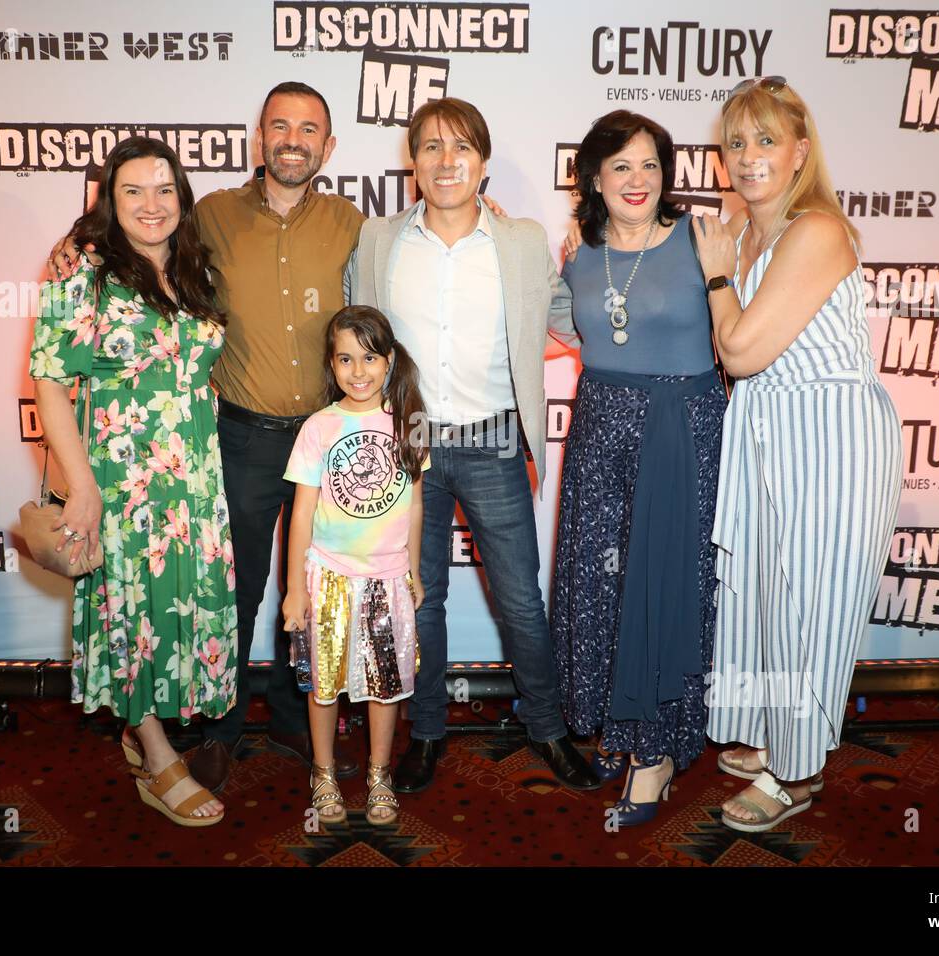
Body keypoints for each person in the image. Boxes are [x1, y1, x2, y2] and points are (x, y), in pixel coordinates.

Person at [51, 83, 365, 791]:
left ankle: (295, 709)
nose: (293, 139)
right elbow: (131, 241)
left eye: (308, 129)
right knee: (235, 589)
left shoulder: (352, 221)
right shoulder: (211, 215)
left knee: (318, 586)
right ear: (259, 139)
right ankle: (218, 726)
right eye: (279, 126)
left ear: (329, 145)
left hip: (323, 438)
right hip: (240, 437)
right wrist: (79, 239)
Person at [346, 97, 600, 793]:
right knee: (419, 603)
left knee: (520, 599)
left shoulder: (519, 241)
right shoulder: (378, 240)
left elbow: (565, 317)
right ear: (412, 161)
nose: (445, 161)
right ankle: (426, 735)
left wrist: (603, 281)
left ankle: (547, 730)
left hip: (492, 442)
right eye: (430, 147)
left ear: (483, 162)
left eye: (461, 147)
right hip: (410, 448)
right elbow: (352, 327)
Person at [693, 77, 902, 832]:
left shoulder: (814, 230)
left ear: (800, 152)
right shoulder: (747, 230)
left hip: (830, 437)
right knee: (767, 596)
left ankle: (800, 774)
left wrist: (717, 273)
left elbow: (742, 349)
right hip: (765, 434)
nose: (748, 157)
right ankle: (784, 733)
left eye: (766, 140)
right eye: (737, 143)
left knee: (812, 604)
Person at [29, 136, 235, 826]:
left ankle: (140, 729)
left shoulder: (192, 264)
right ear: (108, 200)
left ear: (182, 196)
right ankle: (155, 753)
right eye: (132, 192)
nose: (151, 206)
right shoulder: (80, 269)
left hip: (194, 479)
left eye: (164, 190)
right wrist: (81, 487)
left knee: (171, 611)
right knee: (132, 614)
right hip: (121, 482)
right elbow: (51, 383)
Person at [550, 111, 727, 826]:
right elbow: (566, 326)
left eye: (650, 164)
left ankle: (654, 752)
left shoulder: (704, 240)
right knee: (603, 583)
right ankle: (620, 731)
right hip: (599, 429)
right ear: (594, 176)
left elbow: (740, 330)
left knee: (663, 587)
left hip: (681, 430)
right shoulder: (579, 253)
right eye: (620, 165)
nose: (637, 179)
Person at [280, 306, 428, 827]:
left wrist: (413, 569)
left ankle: (379, 774)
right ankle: (322, 774)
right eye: (346, 359)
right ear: (331, 363)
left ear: (389, 361)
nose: (358, 371)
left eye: (369, 357)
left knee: (385, 685)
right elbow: (300, 515)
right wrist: (295, 589)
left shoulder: (409, 421)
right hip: (328, 578)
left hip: (387, 580)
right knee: (324, 684)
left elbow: (414, 503)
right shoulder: (320, 427)